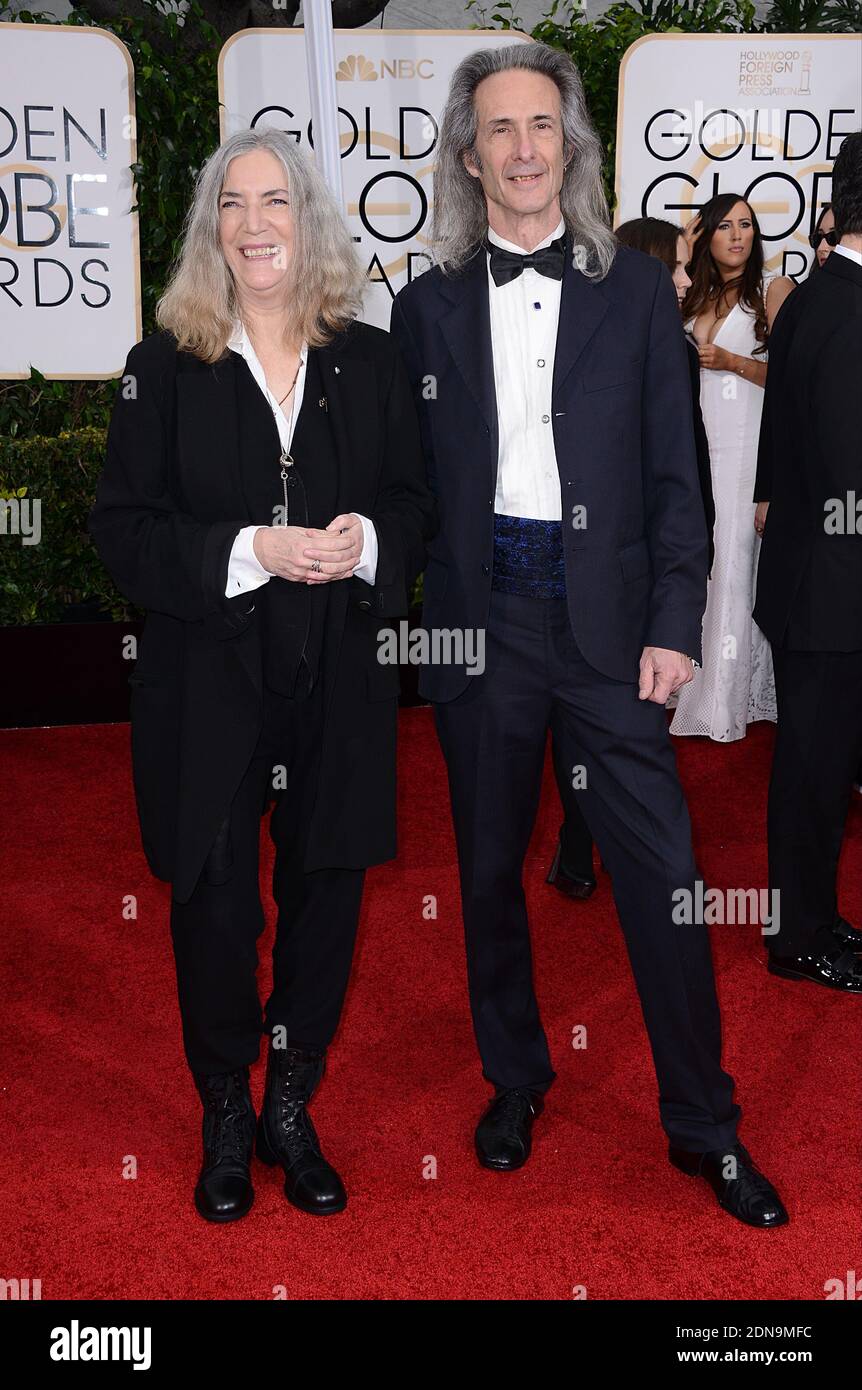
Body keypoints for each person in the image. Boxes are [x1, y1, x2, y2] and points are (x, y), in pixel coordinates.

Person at [391, 41, 787, 1227]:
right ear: (469, 155)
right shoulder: (426, 306)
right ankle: (514, 1077)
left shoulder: (629, 291)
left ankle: (704, 1125)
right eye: (500, 129)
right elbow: (409, 484)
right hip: (481, 625)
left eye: (542, 127)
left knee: (665, 877)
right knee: (484, 868)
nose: (523, 149)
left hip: (613, 632)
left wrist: (676, 624)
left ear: (570, 145)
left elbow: (681, 480)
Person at [89, 129, 436, 1222]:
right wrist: (252, 550)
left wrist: (367, 540)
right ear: (209, 228)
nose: (253, 224)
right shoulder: (165, 365)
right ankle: (227, 1108)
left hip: (339, 673)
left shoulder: (372, 361)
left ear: (308, 220)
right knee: (215, 900)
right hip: (207, 685)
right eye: (231, 204)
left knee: (327, 889)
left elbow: (420, 507)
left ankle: (293, 1098)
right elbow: (121, 533)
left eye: (274, 201)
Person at [547, 216, 716, 902]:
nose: (684, 281)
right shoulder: (663, 344)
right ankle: (592, 846)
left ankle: (578, 846)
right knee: (621, 733)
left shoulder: (657, 339)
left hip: (629, 567)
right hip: (632, 573)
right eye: (674, 267)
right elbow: (680, 470)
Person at [752, 131, 862, 992]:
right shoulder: (847, 309)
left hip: (814, 583)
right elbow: (843, 469)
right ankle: (797, 936)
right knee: (814, 771)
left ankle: (813, 918)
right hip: (831, 591)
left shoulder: (820, 296)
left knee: (817, 767)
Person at [669, 195, 793, 742]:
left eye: (746, 225)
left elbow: (794, 377)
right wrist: (684, 252)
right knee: (704, 558)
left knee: (738, 563)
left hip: (749, 448)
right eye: (724, 227)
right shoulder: (690, 293)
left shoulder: (774, 291)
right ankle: (688, 674)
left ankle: (726, 697)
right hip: (699, 451)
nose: (738, 236)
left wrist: (735, 363)